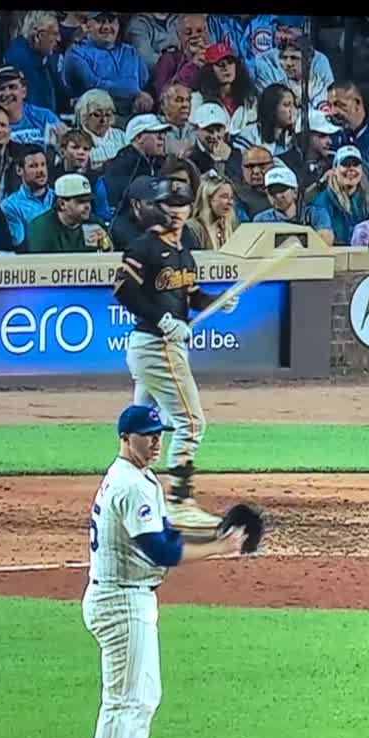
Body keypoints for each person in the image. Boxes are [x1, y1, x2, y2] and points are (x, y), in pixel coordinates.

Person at [81, 403, 247, 738]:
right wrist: (220, 549)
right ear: (125, 438)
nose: (156, 441)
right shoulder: (130, 484)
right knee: (125, 703)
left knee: (142, 700)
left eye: (159, 434)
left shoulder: (140, 479)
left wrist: (215, 536)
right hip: (121, 602)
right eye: (147, 435)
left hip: (128, 599)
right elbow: (160, 550)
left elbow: (168, 534)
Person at [113, 183, 234, 530]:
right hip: (155, 345)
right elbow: (123, 289)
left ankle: (128, 494)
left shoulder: (184, 252)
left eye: (182, 204)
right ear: (158, 208)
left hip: (160, 346)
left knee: (144, 424)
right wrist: (163, 320)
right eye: (170, 204)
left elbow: (189, 294)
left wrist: (215, 302)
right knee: (192, 422)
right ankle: (180, 502)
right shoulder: (144, 247)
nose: (177, 212)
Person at [23, 174, 111, 253]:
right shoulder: (40, 227)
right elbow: (42, 266)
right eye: (81, 202)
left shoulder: (95, 224)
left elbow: (111, 259)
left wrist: (106, 243)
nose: (87, 206)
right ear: (62, 204)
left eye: (89, 201)